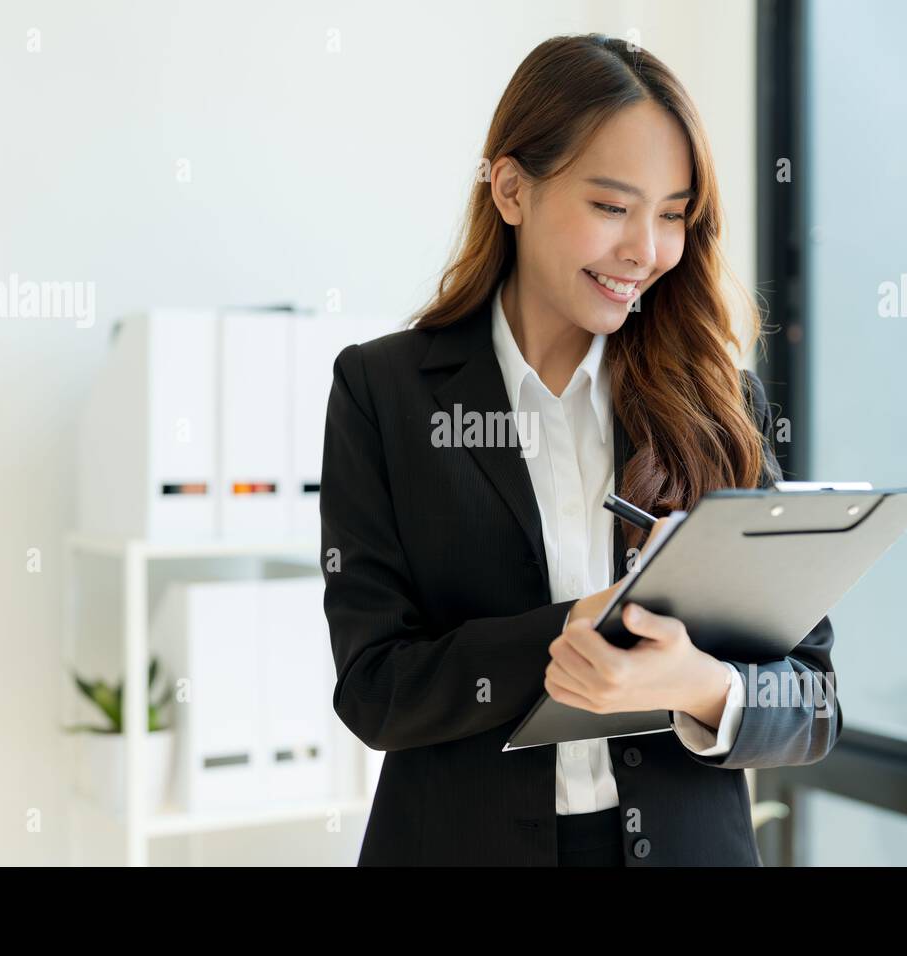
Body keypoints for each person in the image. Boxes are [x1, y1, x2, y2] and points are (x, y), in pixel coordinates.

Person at [319, 33, 841, 867]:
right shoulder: (384, 392)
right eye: (611, 206)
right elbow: (375, 690)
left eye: (673, 214)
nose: (646, 250)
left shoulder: (714, 399)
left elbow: (813, 701)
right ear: (512, 189)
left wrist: (698, 685)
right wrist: (570, 632)